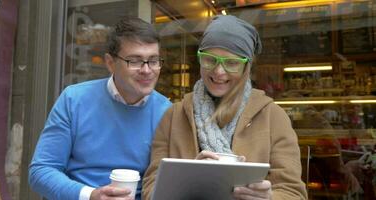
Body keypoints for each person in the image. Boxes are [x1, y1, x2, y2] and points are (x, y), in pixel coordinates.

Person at [142, 15, 308, 200]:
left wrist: (268, 198)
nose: (219, 71)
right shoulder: (173, 117)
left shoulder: (273, 117)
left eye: (231, 63)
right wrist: (188, 179)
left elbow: (294, 193)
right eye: (209, 60)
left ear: (246, 67)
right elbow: (150, 191)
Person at [29, 17, 172, 200]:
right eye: (134, 61)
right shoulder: (74, 100)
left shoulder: (167, 112)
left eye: (153, 60)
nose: (146, 70)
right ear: (110, 63)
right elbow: (41, 171)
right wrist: (91, 195)